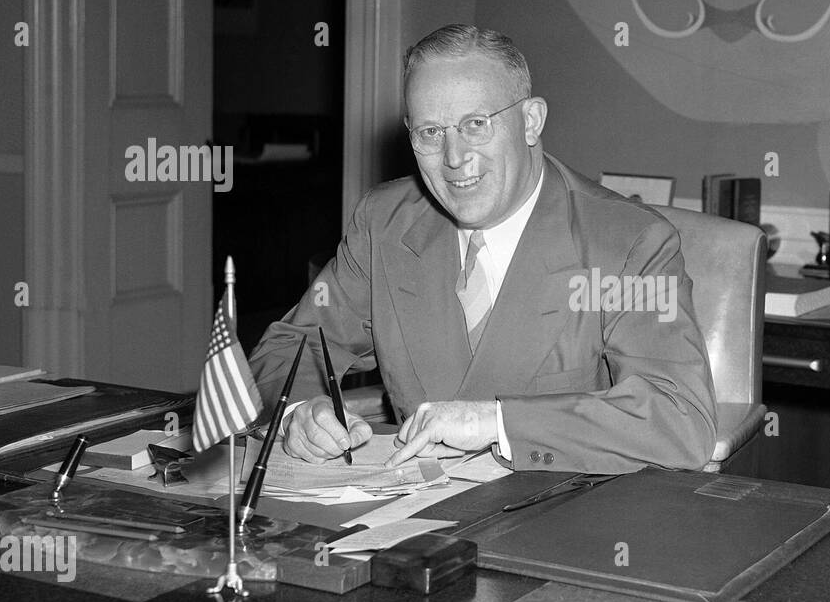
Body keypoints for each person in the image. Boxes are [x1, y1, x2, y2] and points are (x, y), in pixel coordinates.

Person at [248, 24, 717, 473]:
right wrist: (301, 415)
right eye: (430, 132)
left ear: (531, 121)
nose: (454, 158)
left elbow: (678, 418)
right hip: (408, 527)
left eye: (475, 124)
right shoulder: (385, 223)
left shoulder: (627, 243)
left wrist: (494, 421)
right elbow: (293, 344)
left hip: (559, 520)